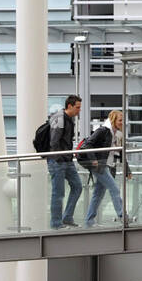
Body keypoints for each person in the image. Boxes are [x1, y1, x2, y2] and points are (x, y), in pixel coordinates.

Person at [85, 110, 130, 227]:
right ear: (113, 120)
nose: (122, 122)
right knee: (114, 189)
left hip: (106, 165)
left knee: (98, 194)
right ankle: (122, 216)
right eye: (120, 120)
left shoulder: (117, 134)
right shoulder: (103, 130)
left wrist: (127, 170)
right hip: (99, 165)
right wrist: (94, 159)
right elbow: (88, 144)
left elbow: (120, 153)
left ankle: (89, 221)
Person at [48, 94, 83, 229]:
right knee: (58, 193)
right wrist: (59, 158)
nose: (79, 110)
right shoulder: (60, 118)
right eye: (77, 107)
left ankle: (67, 218)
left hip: (66, 160)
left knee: (77, 186)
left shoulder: (69, 119)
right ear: (69, 106)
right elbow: (54, 141)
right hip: (58, 161)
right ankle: (56, 223)